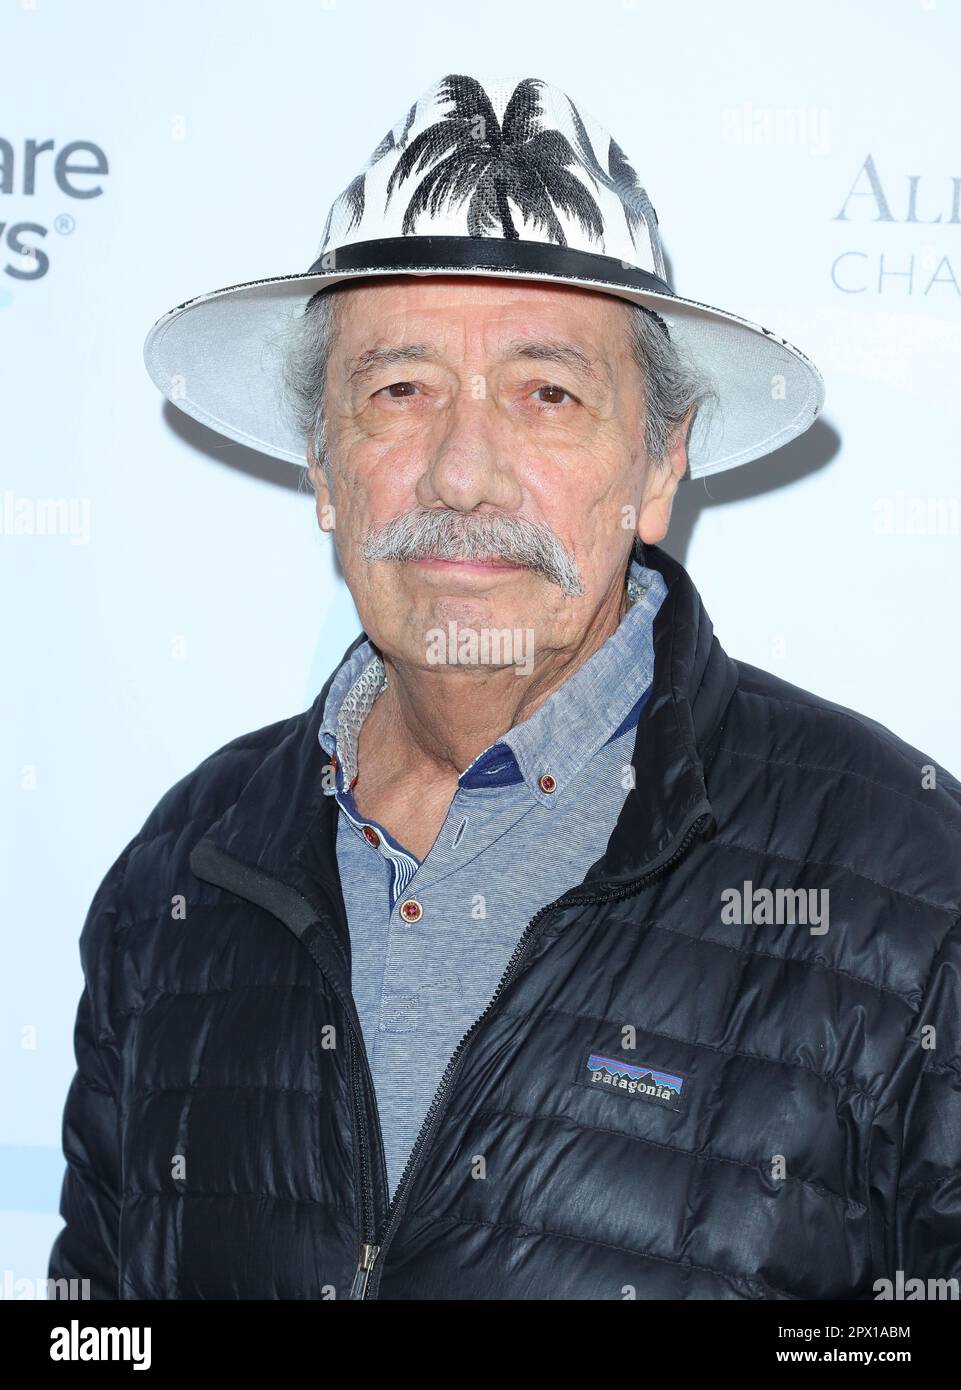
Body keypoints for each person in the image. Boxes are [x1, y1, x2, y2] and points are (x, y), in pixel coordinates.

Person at [50, 73, 961, 1301]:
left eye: (547, 394)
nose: (464, 472)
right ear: (323, 464)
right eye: (399, 390)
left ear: (658, 463)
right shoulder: (182, 871)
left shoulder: (906, 885)